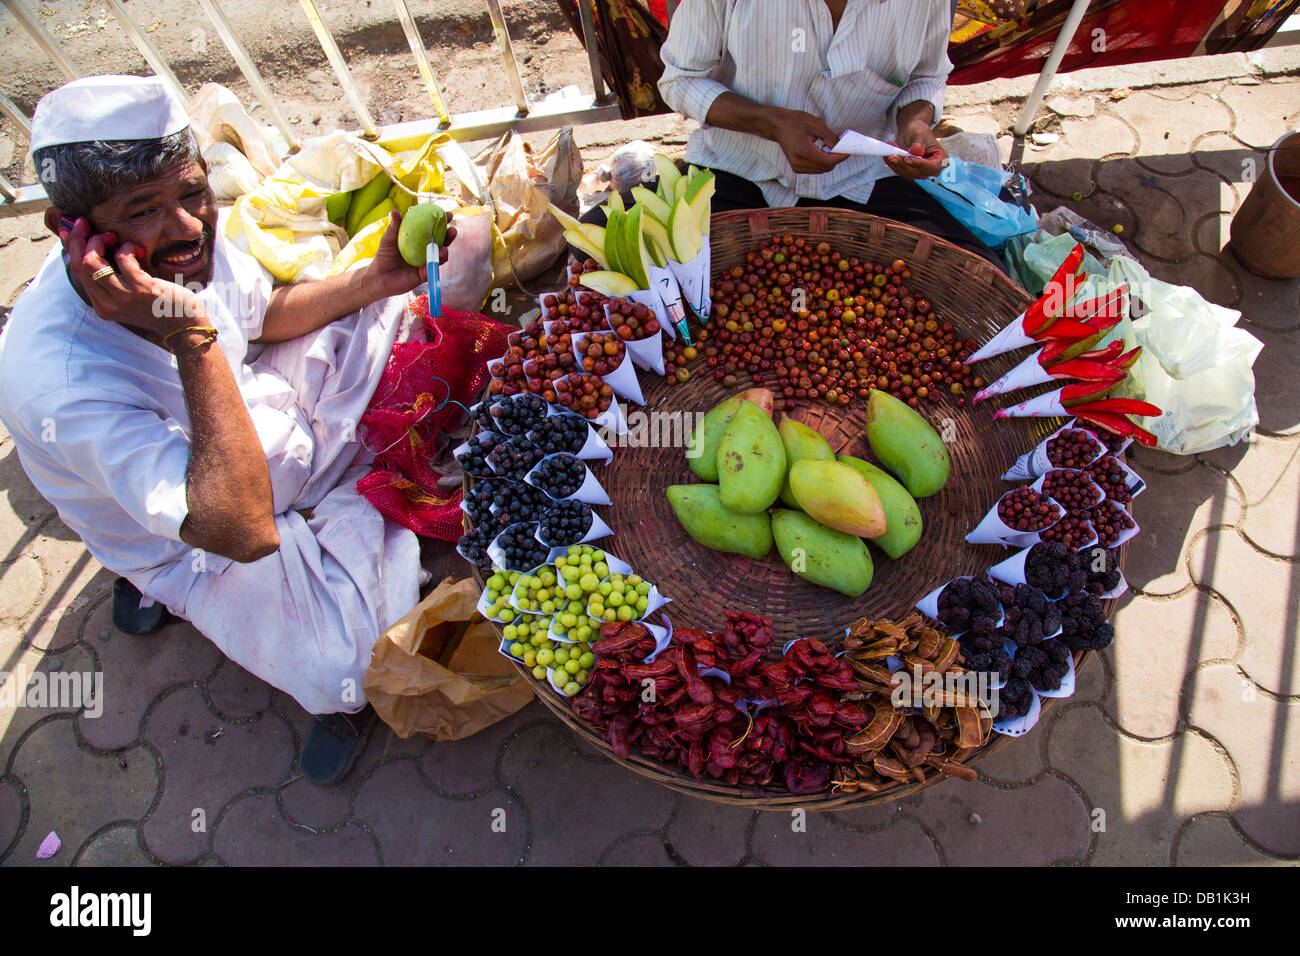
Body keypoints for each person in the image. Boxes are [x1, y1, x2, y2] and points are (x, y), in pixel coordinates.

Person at [0, 75, 456, 784]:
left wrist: (373, 282)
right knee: (345, 669)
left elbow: (263, 317)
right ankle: (180, 583)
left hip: (257, 416)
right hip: (205, 532)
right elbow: (244, 531)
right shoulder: (56, 380)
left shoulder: (181, 247)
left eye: (190, 192)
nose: (184, 227)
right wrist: (190, 336)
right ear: (74, 232)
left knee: (434, 296)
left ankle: (343, 510)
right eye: (144, 210)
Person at [656, 0, 1004, 270]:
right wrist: (771, 122)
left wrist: (915, 124)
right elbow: (681, 79)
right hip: (740, 172)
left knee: (980, 268)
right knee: (622, 264)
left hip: (863, 180)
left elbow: (925, 76)